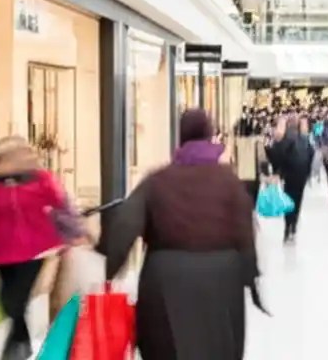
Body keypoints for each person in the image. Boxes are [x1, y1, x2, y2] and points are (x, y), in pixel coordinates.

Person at [102, 109, 259, 360]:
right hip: (220, 279)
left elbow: (125, 224)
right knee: (217, 348)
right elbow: (244, 230)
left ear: (180, 137)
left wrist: (110, 271)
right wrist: (250, 275)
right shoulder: (228, 181)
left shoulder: (158, 180)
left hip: (166, 278)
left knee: (165, 346)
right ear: (210, 136)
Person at [0, 136, 80, 360]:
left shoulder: (42, 180)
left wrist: (72, 232)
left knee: (17, 299)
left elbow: (60, 206)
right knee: (6, 300)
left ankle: (15, 349)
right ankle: (20, 342)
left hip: (34, 250)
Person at [268, 114, 316, 243]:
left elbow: (276, 154)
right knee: (298, 198)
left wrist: (277, 171)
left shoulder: (285, 138)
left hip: (289, 174)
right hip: (301, 174)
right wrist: (308, 171)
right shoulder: (304, 138)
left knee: (288, 198)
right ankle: (294, 224)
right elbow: (312, 153)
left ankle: (287, 226)